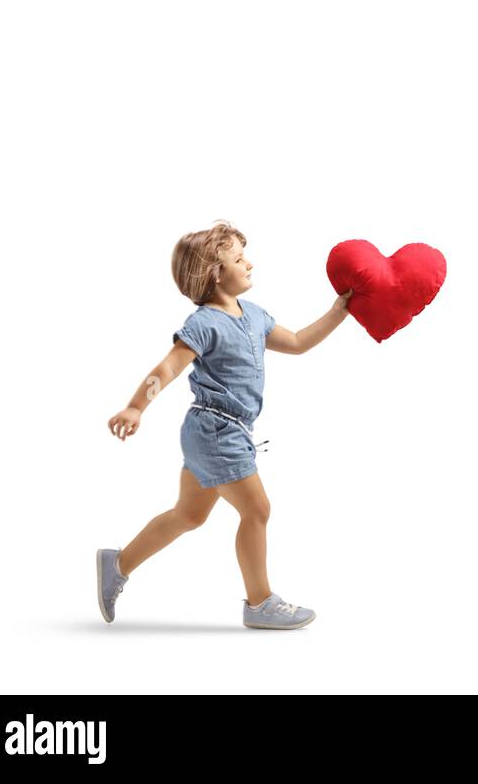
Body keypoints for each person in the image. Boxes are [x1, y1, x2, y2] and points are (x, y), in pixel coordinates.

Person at [98, 219, 353, 630]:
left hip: (221, 432)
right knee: (257, 509)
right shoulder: (203, 324)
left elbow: (300, 342)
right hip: (217, 431)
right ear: (216, 274)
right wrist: (135, 407)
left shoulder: (253, 315)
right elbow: (168, 367)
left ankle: (118, 562)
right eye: (239, 258)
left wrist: (340, 311)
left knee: (188, 515)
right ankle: (259, 602)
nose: (249, 264)